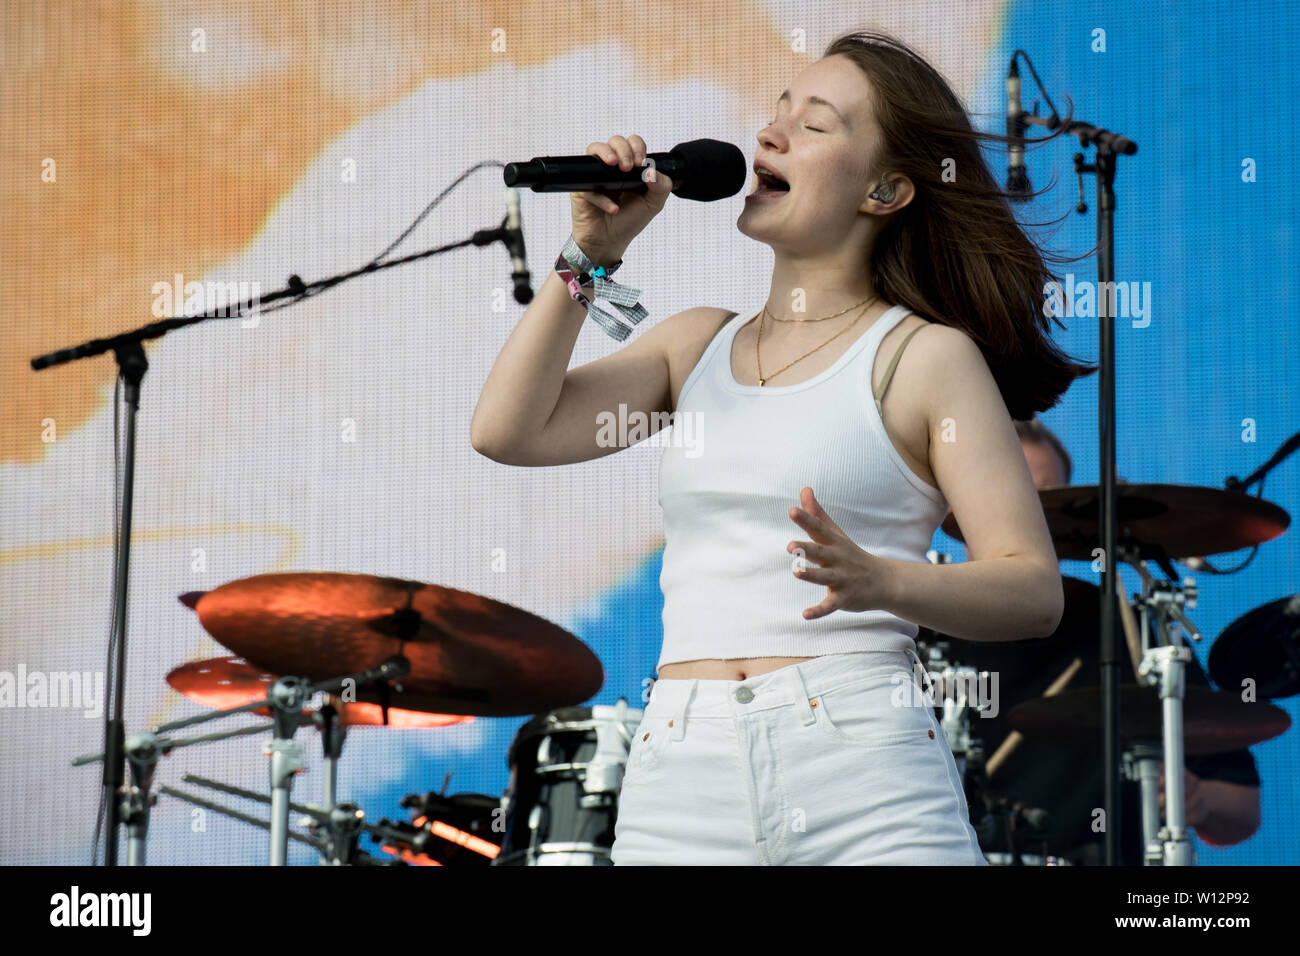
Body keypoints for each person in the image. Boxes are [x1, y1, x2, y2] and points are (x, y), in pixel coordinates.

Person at [471, 30, 1092, 864]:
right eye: (778, 112)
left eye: (817, 123)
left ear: (886, 189)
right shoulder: (694, 347)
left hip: (863, 768)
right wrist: (592, 254)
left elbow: (1032, 589)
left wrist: (883, 582)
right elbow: (508, 430)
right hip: (681, 770)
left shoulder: (923, 357)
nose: (770, 134)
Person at [934, 417, 1262, 864]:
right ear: (958, 508)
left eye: (1043, 497)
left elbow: (1243, 809)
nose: (1024, 513)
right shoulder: (922, 633)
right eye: (1003, 489)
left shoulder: (1127, 631)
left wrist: (1198, 797)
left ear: (1066, 516)